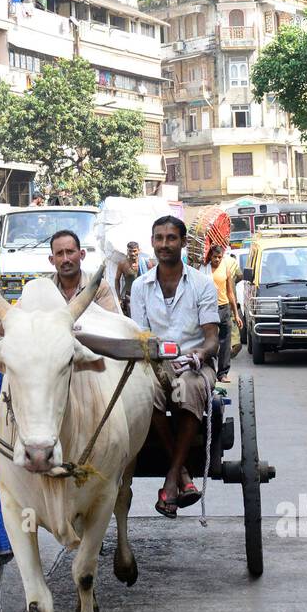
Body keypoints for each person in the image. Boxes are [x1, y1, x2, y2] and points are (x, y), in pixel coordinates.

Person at [130, 216, 219, 518]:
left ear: (182, 242)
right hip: (155, 363)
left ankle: (171, 478)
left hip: (195, 364)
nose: (164, 244)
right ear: (152, 242)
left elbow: (211, 340)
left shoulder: (202, 284)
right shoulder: (141, 286)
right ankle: (181, 475)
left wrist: (197, 356)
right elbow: (141, 338)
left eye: (171, 238)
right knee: (142, 389)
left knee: (191, 385)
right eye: (159, 238)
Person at [47, 229, 120, 312]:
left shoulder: (99, 286)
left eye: (70, 252)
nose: (65, 259)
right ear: (51, 259)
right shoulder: (44, 289)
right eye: (59, 253)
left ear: (82, 254)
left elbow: (112, 322)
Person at [206, 243, 242, 381]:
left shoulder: (225, 268)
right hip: (208, 309)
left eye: (219, 257)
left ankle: (223, 373)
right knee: (210, 341)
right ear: (210, 256)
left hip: (224, 308)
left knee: (225, 343)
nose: (217, 259)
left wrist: (236, 314)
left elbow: (230, 293)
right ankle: (209, 372)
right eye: (215, 257)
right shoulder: (204, 269)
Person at [115, 240, 154, 316]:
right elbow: (117, 280)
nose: (132, 253)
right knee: (132, 318)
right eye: (130, 251)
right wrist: (118, 297)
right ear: (127, 251)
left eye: (134, 251)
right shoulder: (122, 264)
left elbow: (152, 279)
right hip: (130, 295)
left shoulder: (146, 263)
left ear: (139, 251)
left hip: (144, 295)